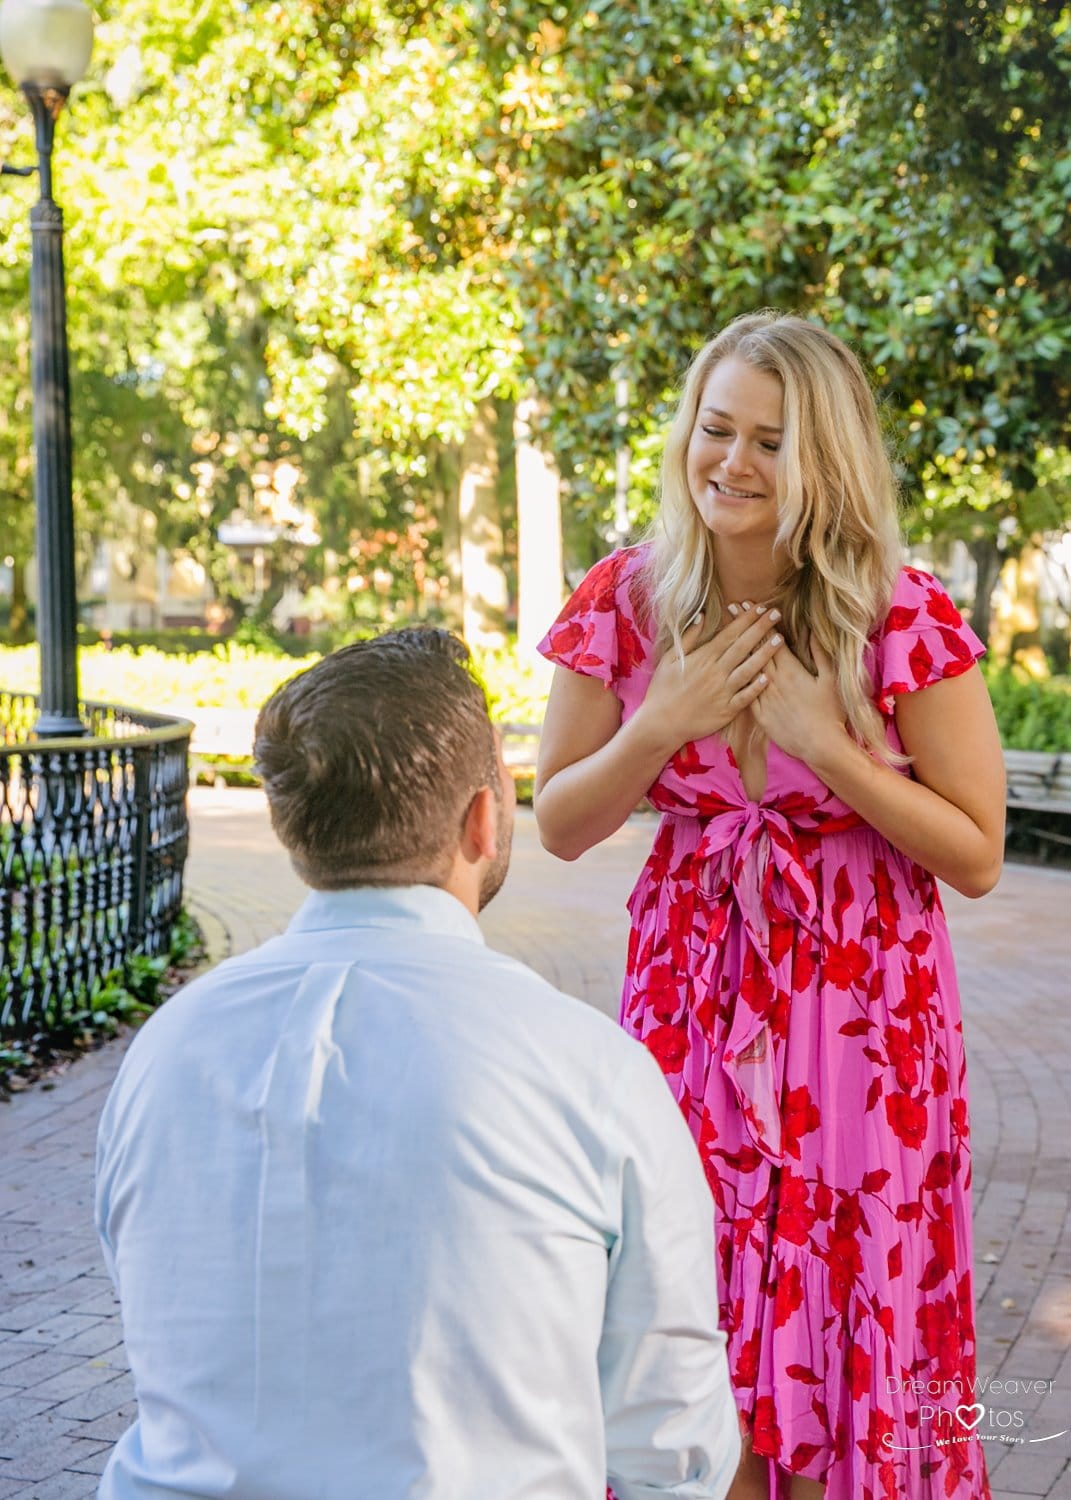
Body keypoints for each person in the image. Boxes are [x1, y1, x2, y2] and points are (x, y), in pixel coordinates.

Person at [95, 628, 741, 1500]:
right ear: (484, 818)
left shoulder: (166, 1051)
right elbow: (672, 1451)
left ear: (291, 828)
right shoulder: (588, 1069)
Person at [535, 312, 1004, 1500]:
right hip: (691, 998)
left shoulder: (899, 612)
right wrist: (665, 720)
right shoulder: (624, 602)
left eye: (771, 441)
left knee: (854, 1297)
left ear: (825, 460)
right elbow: (560, 823)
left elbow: (980, 851)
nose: (731, 463)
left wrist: (828, 748)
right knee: (690, 1292)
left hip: (863, 1017)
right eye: (716, 427)